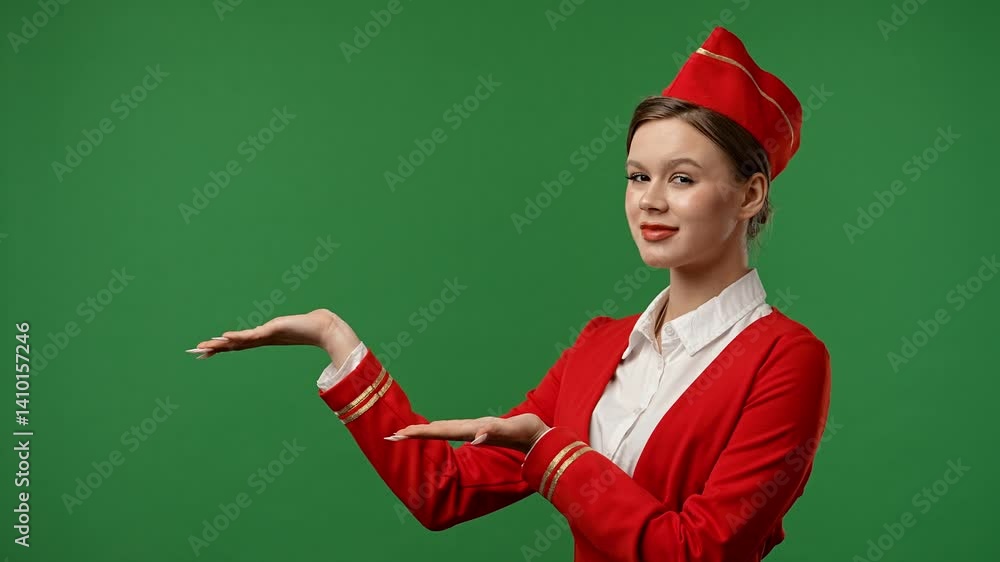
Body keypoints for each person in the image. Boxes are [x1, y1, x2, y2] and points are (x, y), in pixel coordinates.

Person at [188, 26, 831, 562]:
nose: (650, 201)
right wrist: (337, 340)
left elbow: (699, 551)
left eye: (682, 178)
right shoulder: (601, 346)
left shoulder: (788, 359)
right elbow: (443, 492)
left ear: (749, 195)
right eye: (637, 176)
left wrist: (550, 451)